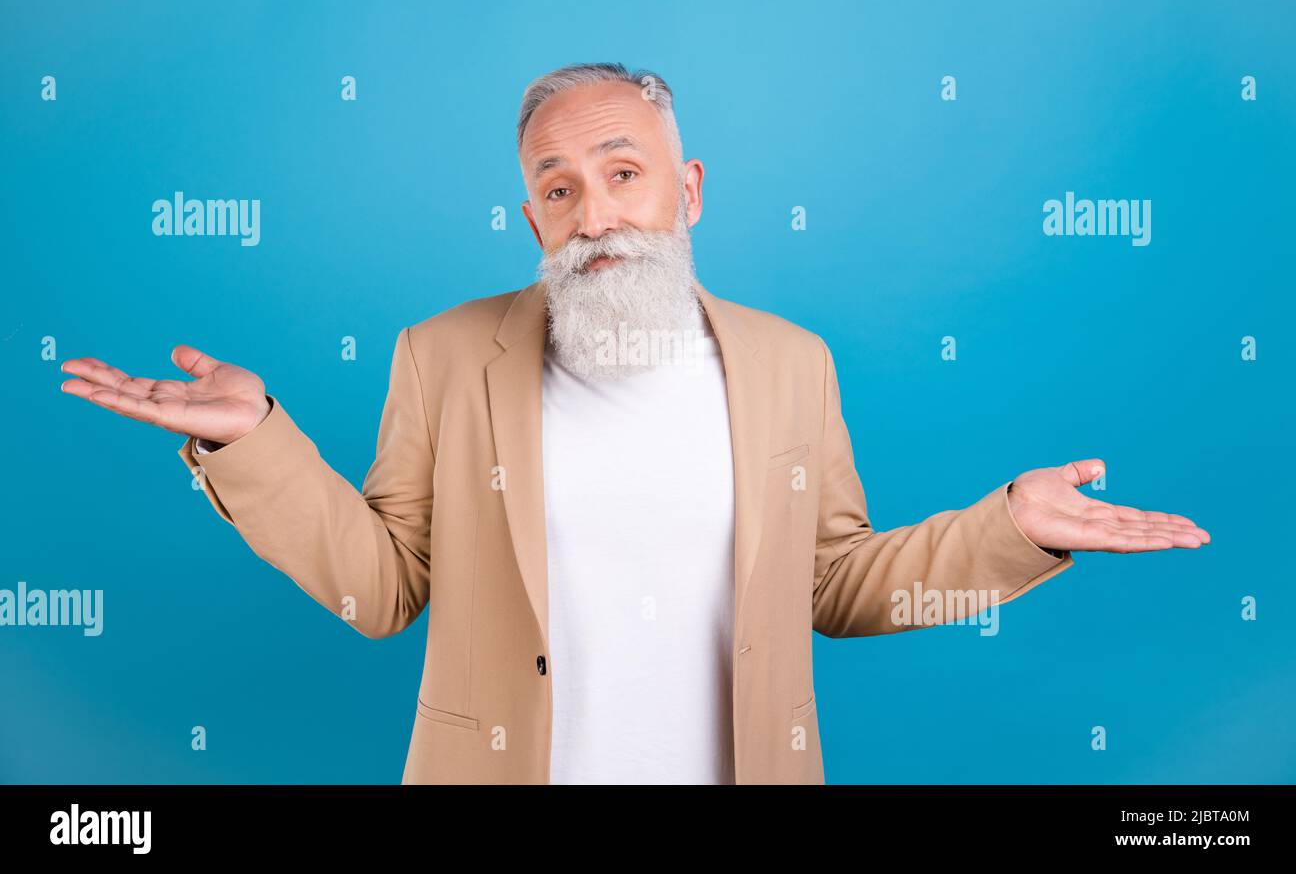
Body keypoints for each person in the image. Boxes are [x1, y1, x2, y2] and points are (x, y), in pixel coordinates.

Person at [59, 62, 1211, 784]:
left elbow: (833, 585)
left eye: (623, 172)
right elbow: (381, 590)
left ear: (689, 188)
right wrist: (255, 437)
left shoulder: (789, 362)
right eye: (558, 186)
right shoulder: (445, 354)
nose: (594, 211)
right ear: (530, 215)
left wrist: (1014, 527)